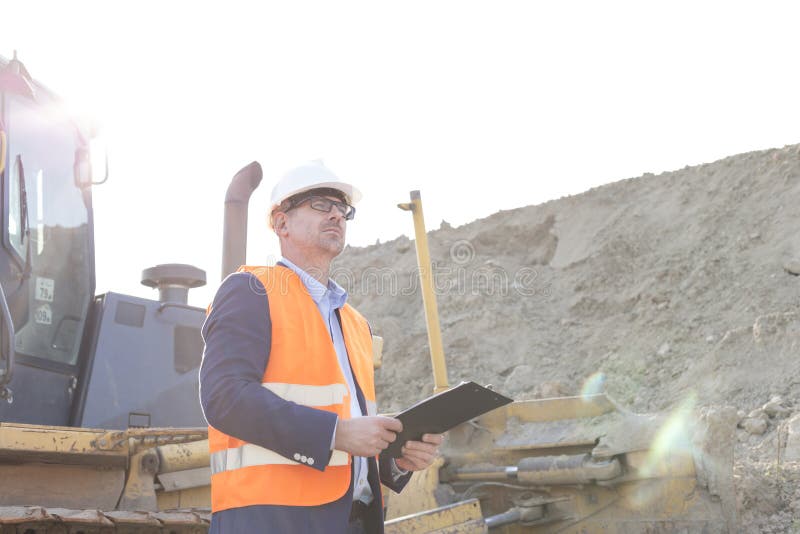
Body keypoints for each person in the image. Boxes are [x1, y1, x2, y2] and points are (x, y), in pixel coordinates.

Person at [200, 160, 443, 533]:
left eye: (343, 209)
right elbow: (224, 397)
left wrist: (397, 460)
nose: (337, 215)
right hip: (271, 520)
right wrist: (336, 434)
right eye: (320, 204)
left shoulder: (356, 324)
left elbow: (349, 427)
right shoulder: (251, 291)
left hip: (354, 520)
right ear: (281, 223)